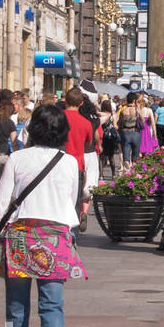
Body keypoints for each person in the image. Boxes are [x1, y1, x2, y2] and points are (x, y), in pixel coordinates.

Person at [0, 103, 85, 327]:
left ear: (33, 129)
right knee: (52, 304)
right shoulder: (68, 162)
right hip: (55, 235)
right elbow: (72, 201)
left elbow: (1, 202)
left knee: (17, 305)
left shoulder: (18, 158)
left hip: (20, 235)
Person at [63, 89, 95, 232]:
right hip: (77, 164)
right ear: (81, 103)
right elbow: (88, 144)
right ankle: (72, 231)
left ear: (65, 101)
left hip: (58, 163)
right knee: (75, 199)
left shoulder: (58, 118)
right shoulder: (86, 123)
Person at [116, 92, 144, 169]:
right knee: (135, 156)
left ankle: (127, 167)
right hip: (136, 133)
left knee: (126, 155)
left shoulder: (123, 111)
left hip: (125, 133)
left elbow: (120, 124)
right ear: (134, 100)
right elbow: (143, 121)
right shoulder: (137, 110)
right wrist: (138, 111)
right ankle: (133, 171)